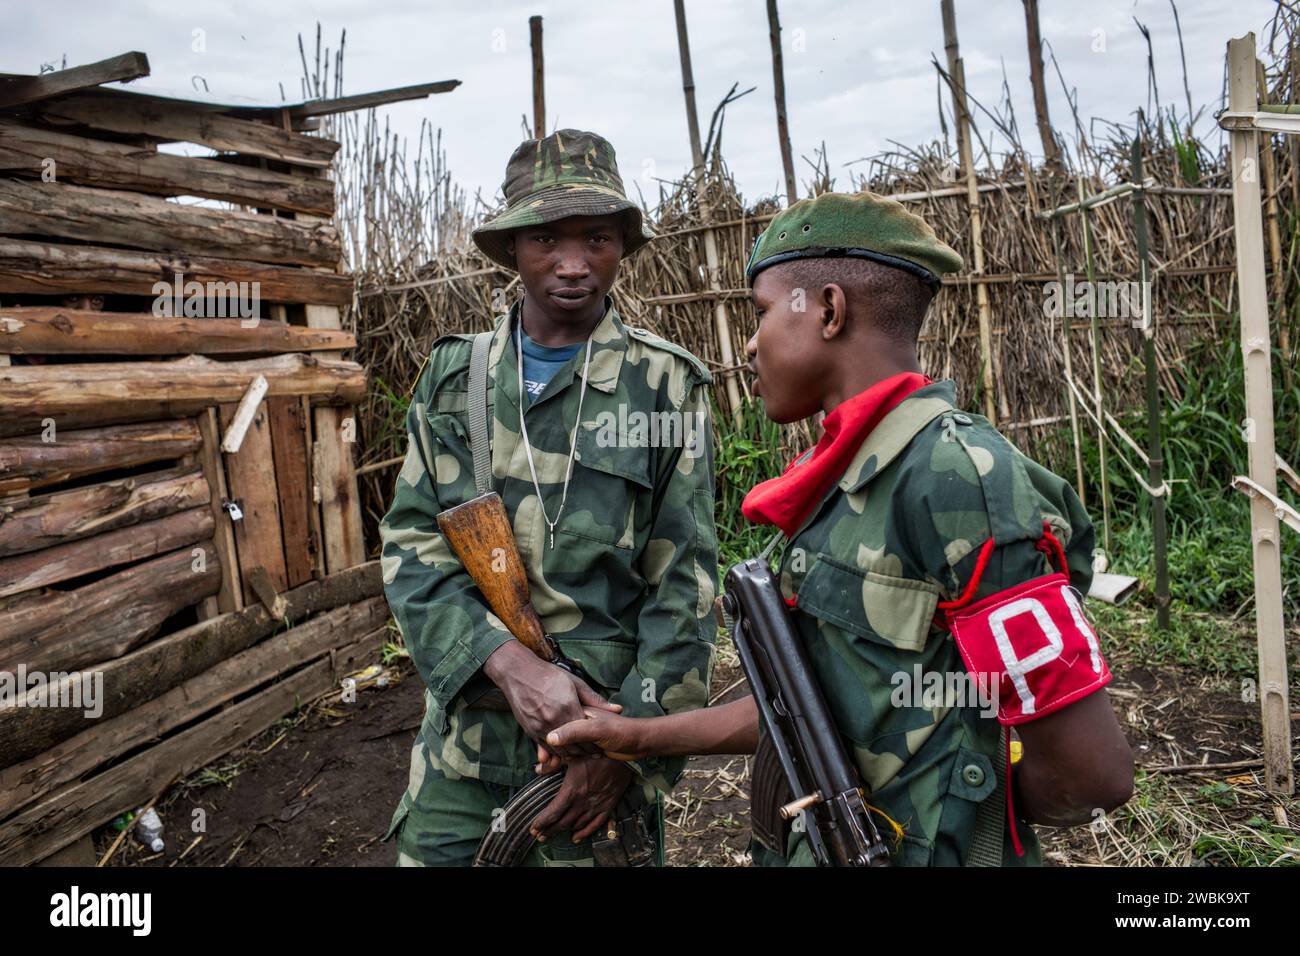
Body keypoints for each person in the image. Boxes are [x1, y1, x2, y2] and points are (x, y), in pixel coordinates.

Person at [545, 190, 1134, 866]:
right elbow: (819, 704)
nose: (749, 344)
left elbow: (1091, 775)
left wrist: (957, 820)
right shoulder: (850, 481)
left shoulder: (957, 478)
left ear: (828, 310)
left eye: (761, 313)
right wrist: (639, 739)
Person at [379, 129, 719, 866]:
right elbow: (412, 546)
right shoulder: (455, 381)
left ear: (622, 245)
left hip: (596, 757)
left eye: (596, 238)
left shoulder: (664, 387)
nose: (572, 264)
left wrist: (629, 751)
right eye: (545, 239)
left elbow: (685, 586)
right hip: (463, 753)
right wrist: (510, 665)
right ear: (512, 249)